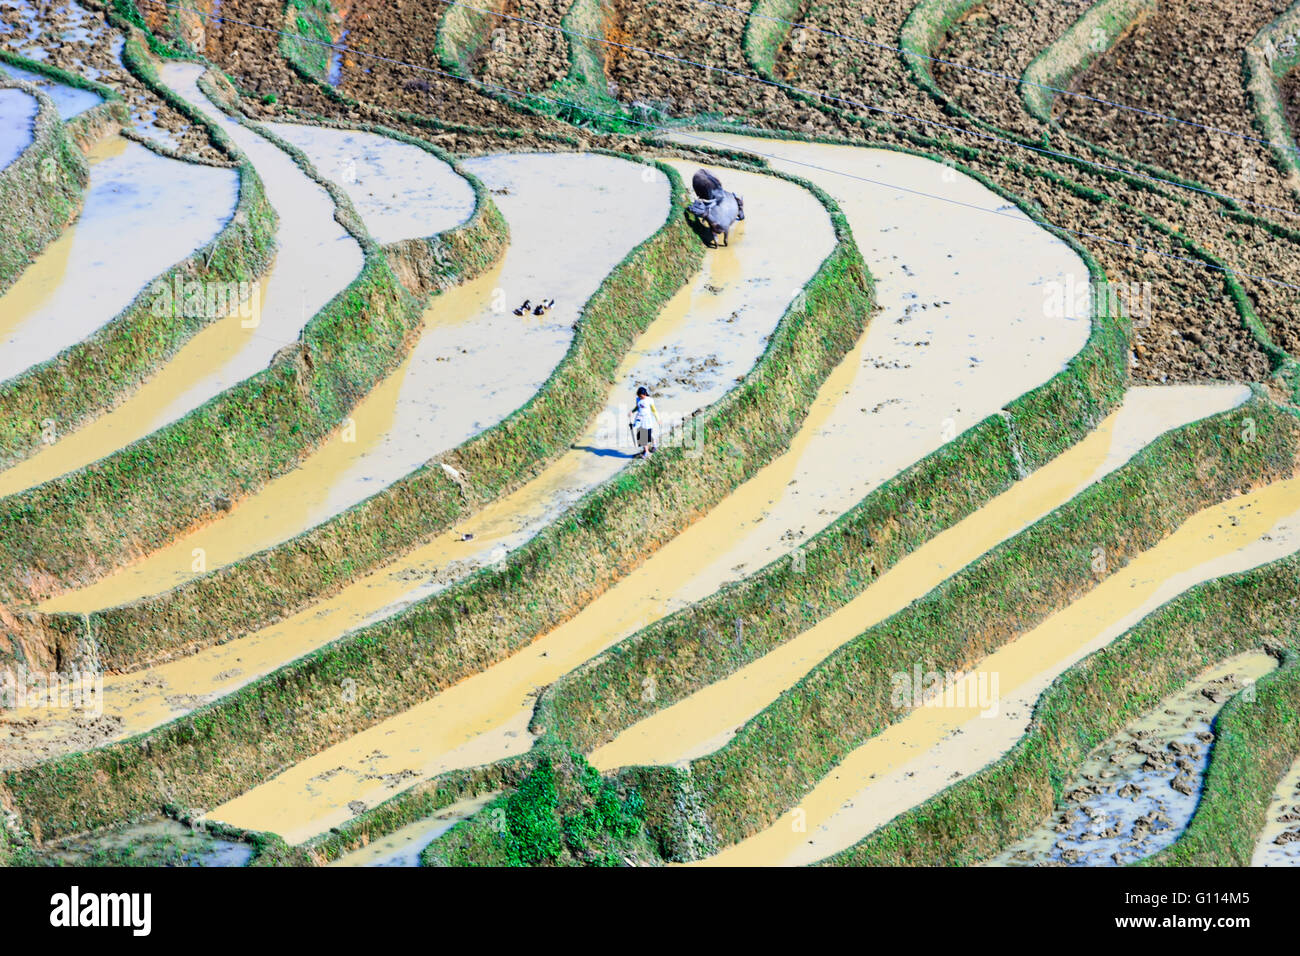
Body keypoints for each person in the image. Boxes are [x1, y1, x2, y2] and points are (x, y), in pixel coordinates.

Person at [629, 385, 660, 458]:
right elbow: (637, 407)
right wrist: (632, 412)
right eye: (639, 396)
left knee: (649, 434)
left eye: (641, 396)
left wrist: (658, 419)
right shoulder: (638, 399)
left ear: (645, 394)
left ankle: (654, 445)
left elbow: (654, 410)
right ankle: (646, 451)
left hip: (648, 420)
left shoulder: (649, 400)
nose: (640, 397)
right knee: (642, 436)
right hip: (640, 419)